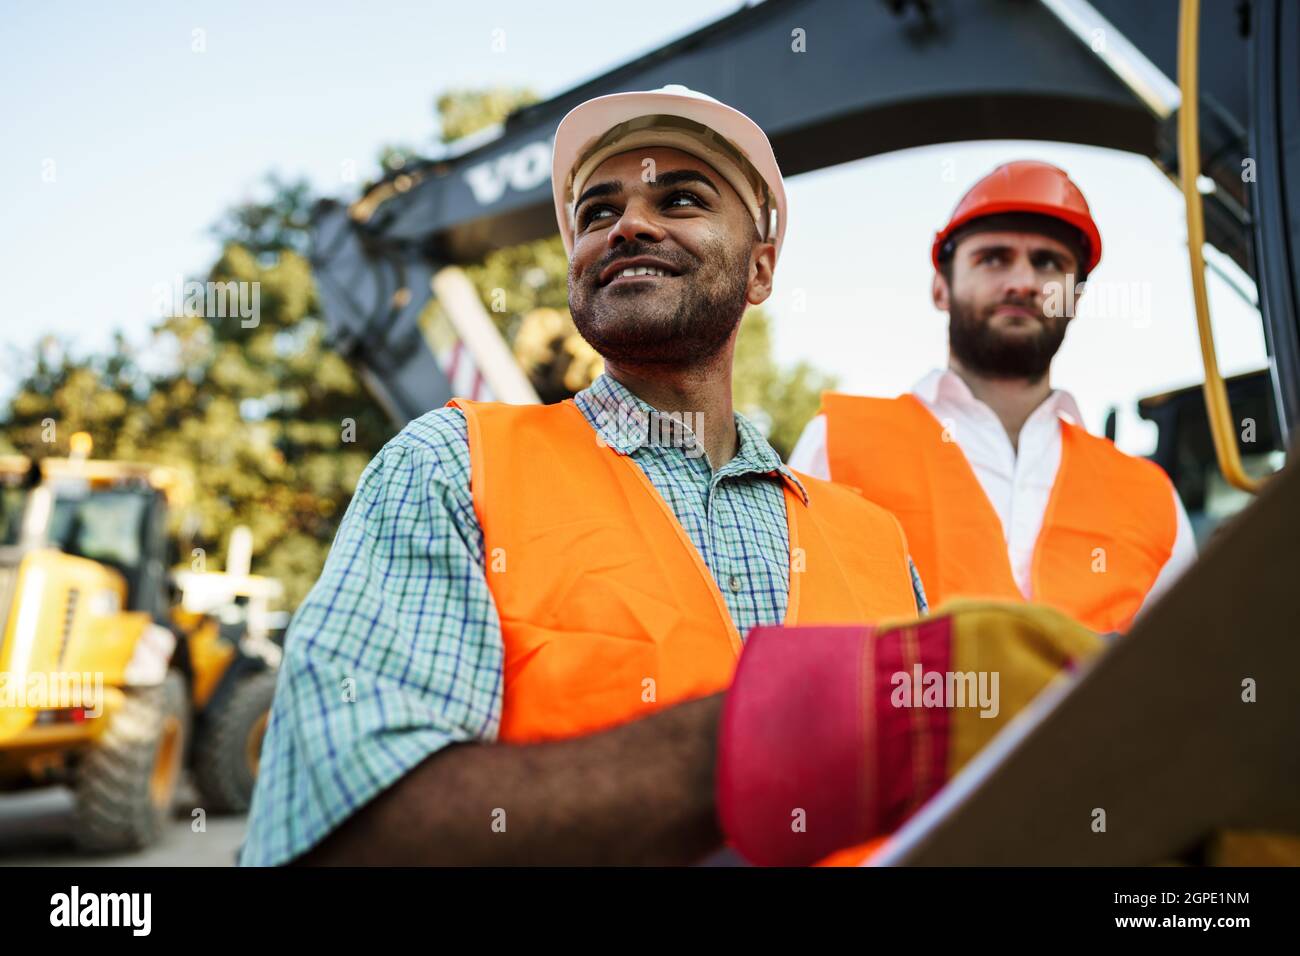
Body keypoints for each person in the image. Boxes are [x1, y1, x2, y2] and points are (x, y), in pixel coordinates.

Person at [239, 85, 926, 867]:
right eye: (598, 212)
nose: (630, 223)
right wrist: (760, 743)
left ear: (761, 269)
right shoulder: (450, 469)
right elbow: (339, 832)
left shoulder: (874, 542)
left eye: (681, 197)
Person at [790, 161, 1196, 634]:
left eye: (1048, 262)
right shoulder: (837, 443)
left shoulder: (1153, 498)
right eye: (994, 258)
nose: (1022, 282)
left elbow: (1184, 675)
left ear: (1076, 297)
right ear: (940, 287)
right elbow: (798, 641)